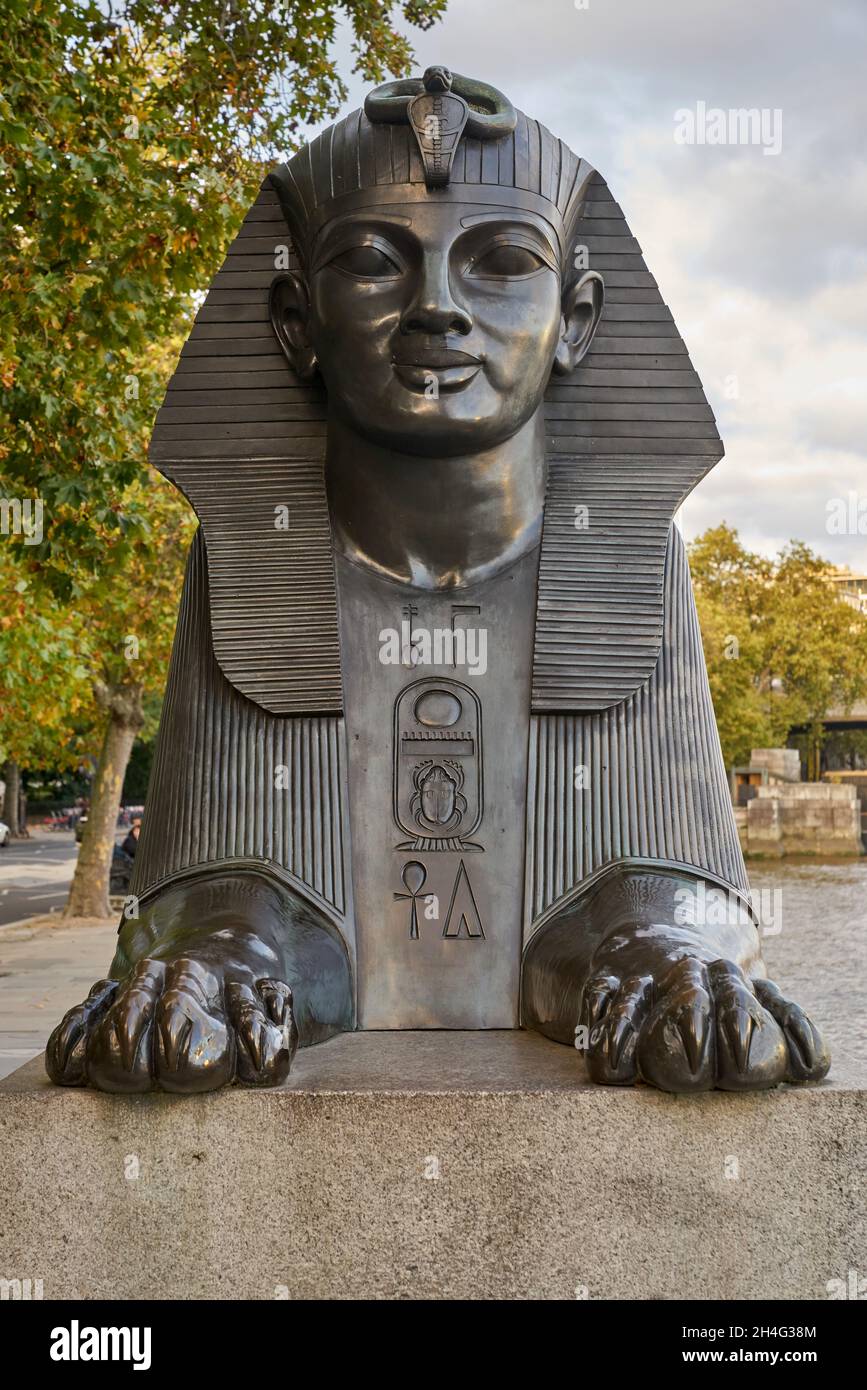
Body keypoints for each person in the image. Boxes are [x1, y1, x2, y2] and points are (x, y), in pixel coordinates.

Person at [47, 68, 829, 1095]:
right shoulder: (250, 556)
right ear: (294, 320)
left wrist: (662, 944)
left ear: (579, 319)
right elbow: (243, 899)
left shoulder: (629, 557)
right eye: (374, 261)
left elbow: (649, 890)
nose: (438, 311)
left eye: (502, 259)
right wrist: (222, 948)